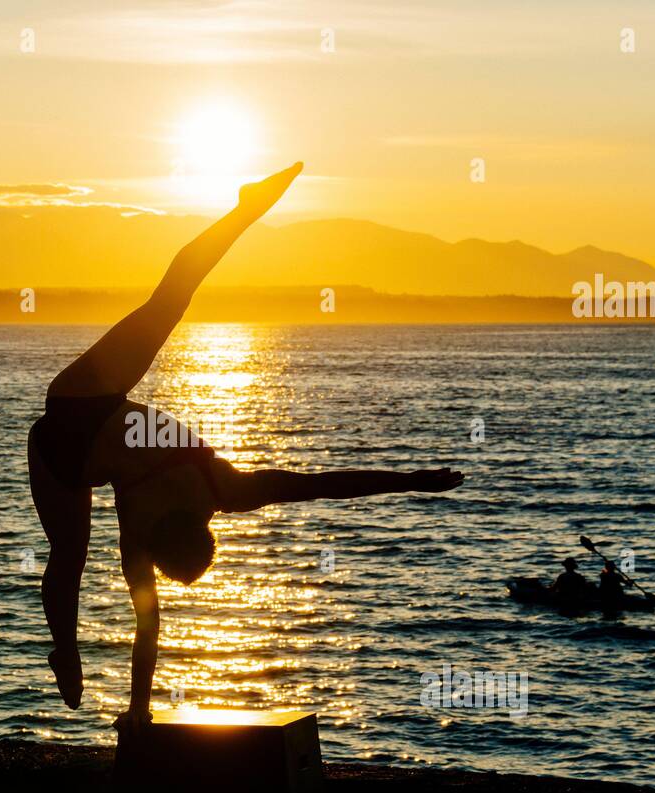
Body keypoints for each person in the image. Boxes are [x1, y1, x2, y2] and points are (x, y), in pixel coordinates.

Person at [27, 162, 465, 731]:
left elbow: (149, 624)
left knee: (69, 558)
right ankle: (246, 208)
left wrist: (139, 711)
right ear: (185, 531)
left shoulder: (166, 523)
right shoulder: (223, 491)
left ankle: (65, 649)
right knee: (171, 300)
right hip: (85, 412)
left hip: (72, 418)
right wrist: (409, 480)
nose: (148, 561)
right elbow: (320, 487)